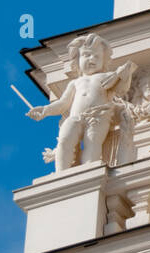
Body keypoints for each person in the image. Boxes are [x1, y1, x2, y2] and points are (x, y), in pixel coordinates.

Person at [27, 34, 134, 172]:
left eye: (97, 57)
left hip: (98, 116)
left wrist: (125, 75)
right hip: (75, 117)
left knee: (93, 143)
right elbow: (63, 103)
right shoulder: (75, 83)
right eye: (87, 55)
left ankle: (88, 171)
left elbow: (122, 89)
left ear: (104, 60)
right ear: (77, 59)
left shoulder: (107, 77)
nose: (92, 59)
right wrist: (45, 110)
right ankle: (61, 174)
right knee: (64, 140)